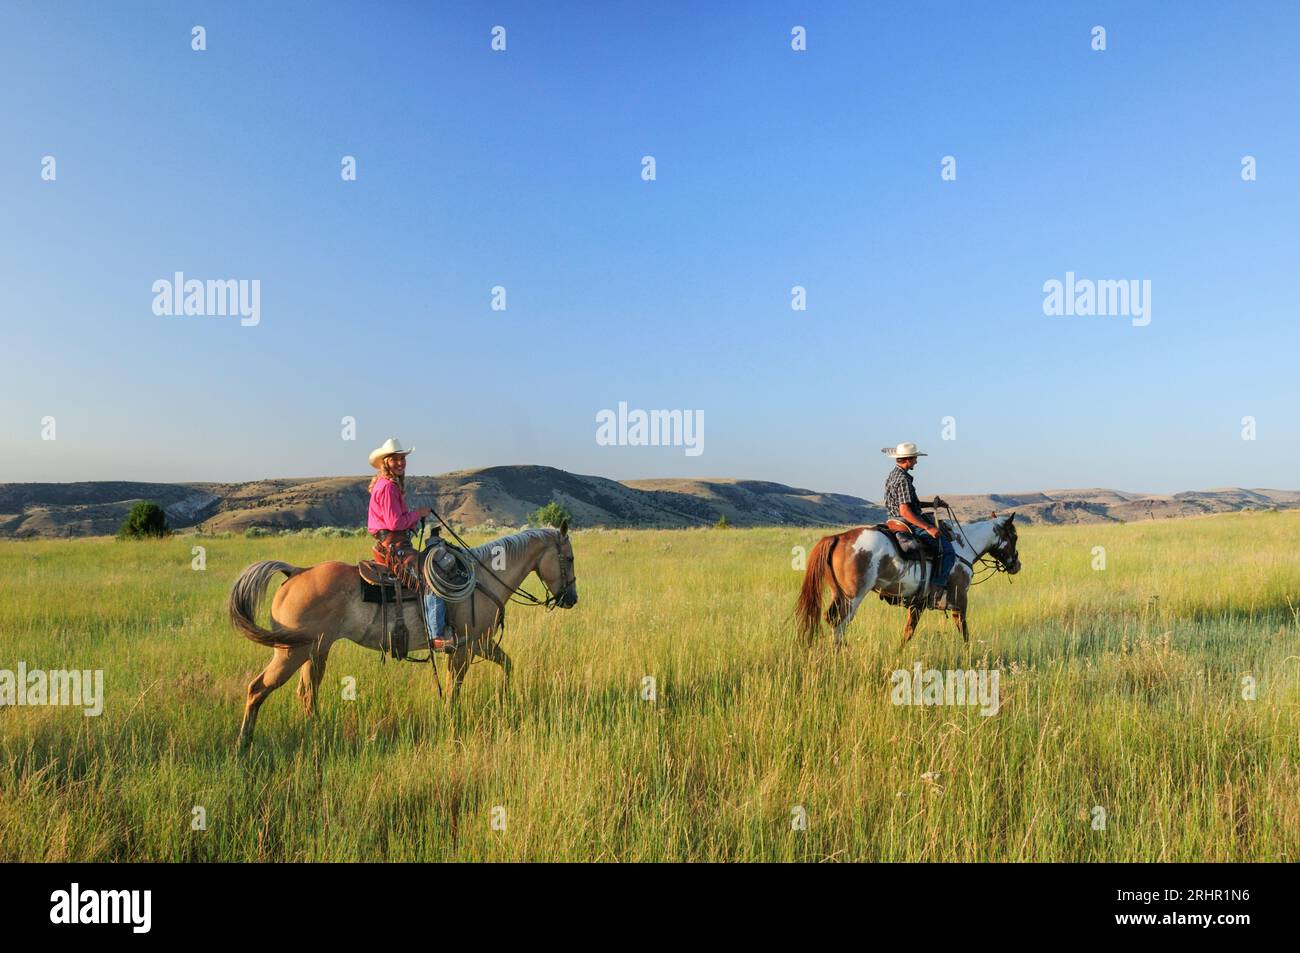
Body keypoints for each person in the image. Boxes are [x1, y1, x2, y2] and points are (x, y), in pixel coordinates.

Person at [367, 437, 454, 652]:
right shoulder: (387, 487)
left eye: (402, 458)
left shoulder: (389, 485)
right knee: (432, 577)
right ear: (385, 462)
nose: (400, 462)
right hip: (394, 547)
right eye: (394, 459)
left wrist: (413, 519)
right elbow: (394, 522)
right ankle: (436, 636)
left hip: (395, 543)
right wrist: (418, 514)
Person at [881, 441, 955, 607]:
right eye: (915, 458)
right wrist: (928, 527)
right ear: (907, 459)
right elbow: (905, 511)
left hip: (892, 521)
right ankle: (935, 593)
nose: (916, 461)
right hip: (905, 523)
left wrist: (932, 505)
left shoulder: (893, 475)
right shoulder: (903, 480)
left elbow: (911, 503)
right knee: (947, 551)